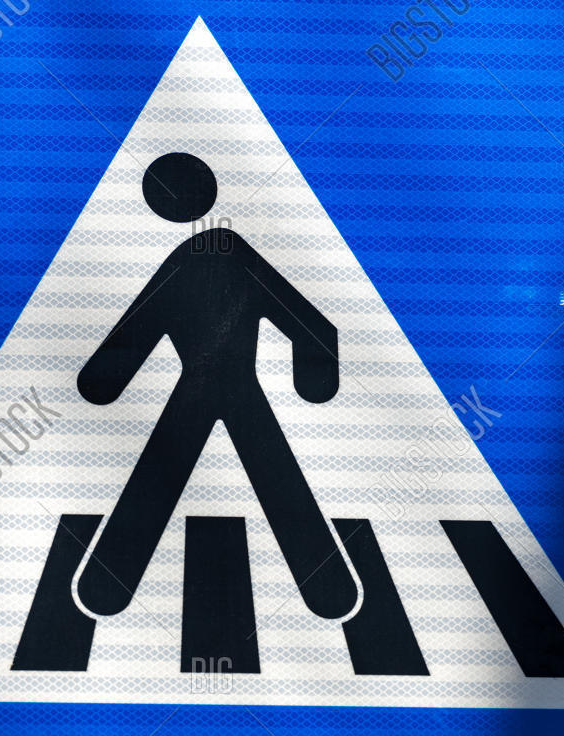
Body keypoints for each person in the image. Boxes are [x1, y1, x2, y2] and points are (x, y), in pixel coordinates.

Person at [73, 151, 359, 621]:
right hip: (217, 389)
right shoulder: (213, 255)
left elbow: (134, 334)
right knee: (271, 478)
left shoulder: (206, 256)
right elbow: (310, 322)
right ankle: (328, 589)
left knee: (172, 478)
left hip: (212, 389)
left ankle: (108, 583)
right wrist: (313, 377)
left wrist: (103, 381)